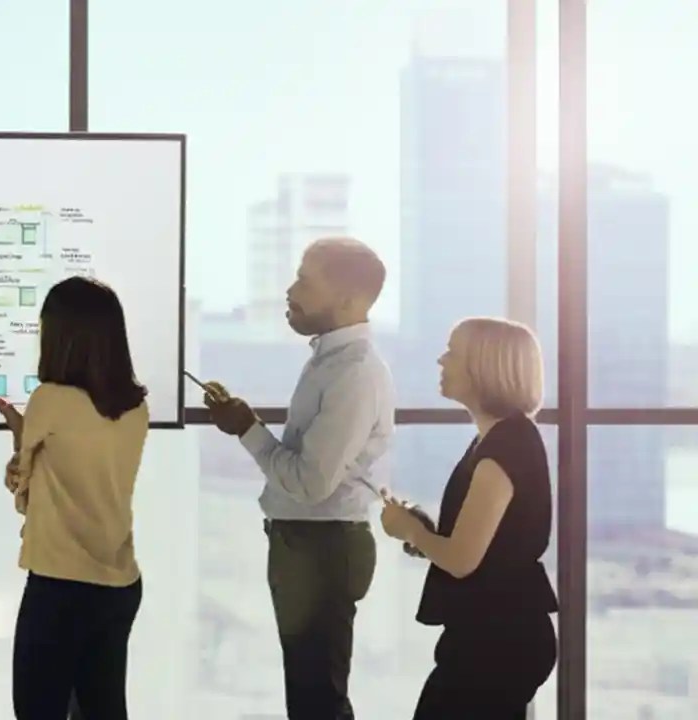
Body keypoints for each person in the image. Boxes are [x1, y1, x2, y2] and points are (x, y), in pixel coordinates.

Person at [204, 237, 395, 720]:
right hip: (307, 547)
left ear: (349, 301)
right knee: (311, 698)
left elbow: (311, 482)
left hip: (321, 551)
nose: (291, 290)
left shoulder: (352, 373)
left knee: (318, 703)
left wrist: (247, 429)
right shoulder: (329, 361)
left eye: (306, 280)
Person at [379, 317, 558, 719]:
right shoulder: (497, 439)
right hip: (496, 634)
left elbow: (462, 560)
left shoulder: (505, 445)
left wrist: (409, 529)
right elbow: (486, 548)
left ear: (485, 367)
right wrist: (426, 533)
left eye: (453, 353)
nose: (442, 360)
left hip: (498, 640)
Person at [0, 276, 149, 720]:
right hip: (119, 584)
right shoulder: (136, 407)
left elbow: (26, 497)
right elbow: (86, 478)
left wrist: (20, 443)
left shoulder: (50, 399)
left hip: (60, 586)